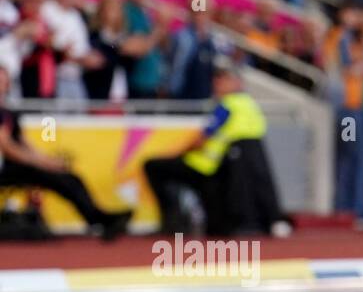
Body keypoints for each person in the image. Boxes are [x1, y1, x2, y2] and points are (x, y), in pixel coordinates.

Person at [142, 61, 279, 234]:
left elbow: (202, 138)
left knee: (153, 166)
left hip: (204, 165)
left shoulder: (228, 105)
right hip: (222, 167)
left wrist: (176, 153)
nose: (217, 84)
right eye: (216, 79)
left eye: (222, 80)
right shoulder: (248, 104)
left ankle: (172, 218)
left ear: (237, 83)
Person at [0, 67, 131, 239]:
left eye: (4, 80)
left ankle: (99, 218)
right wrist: (41, 163)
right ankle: (99, 219)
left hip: (21, 165)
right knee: (56, 178)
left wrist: (48, 160)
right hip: (8, 169)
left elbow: (24, 143)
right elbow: (8, 147)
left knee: (69, 177)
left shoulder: (8, 112)